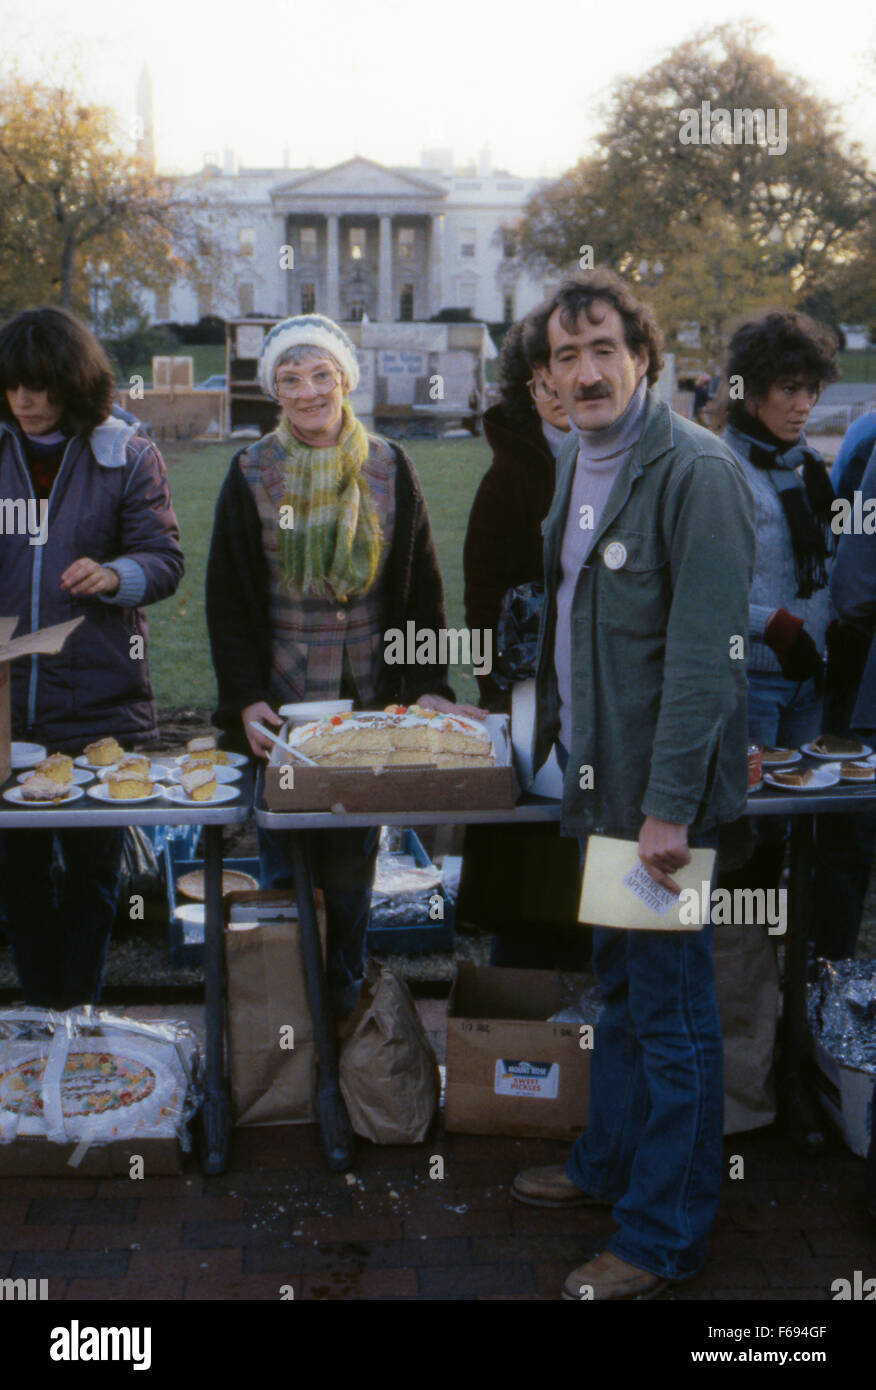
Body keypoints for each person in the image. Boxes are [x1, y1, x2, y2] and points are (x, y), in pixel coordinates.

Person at [510, 269, 756, 1301]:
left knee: (673, 1017)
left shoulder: (696, 472)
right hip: (598, 792)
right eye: (565, 356)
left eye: (603, 347)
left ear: (642, 356)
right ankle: (605, 1165)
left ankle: (659, 1236)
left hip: (659, 806)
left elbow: (708, 658)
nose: (585, 371)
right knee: (615, 990)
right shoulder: (579, 457)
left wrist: (667, 809)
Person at [205, 313, 482, 1017]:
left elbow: (420, 587)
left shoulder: (389, 466)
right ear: (274, 391)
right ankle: (289, 1024)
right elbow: (229, 600)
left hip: (366, 705)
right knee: (287, 870)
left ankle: (346, 1009)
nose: (307, 392)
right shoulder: (249, 473)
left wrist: (425, 685)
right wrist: (242, 698)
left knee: (353, 875)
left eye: (320, 374)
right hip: (287, 708)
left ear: (344, 381)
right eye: (290, 379)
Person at [0, 306, 184, 1007]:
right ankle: (45, 1011)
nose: (26, 402)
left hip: (101, 708)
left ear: (75, 385)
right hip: (10, 711)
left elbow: (164, 560)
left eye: (42, 387)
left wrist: (114, 575)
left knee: (92, 876)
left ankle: (77, 1011)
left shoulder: (126, 453)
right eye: (14, 386)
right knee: (16, 874)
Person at [459, 317, 584, 968]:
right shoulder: (508, 478)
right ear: (527, 388)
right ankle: (523, 1035)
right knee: (538, 876)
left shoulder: (644, 461)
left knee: (618, 893)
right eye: (542, 383)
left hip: (622, 701)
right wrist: (501, 695)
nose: (559, 394)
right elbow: (482, 600)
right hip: (534, 697)